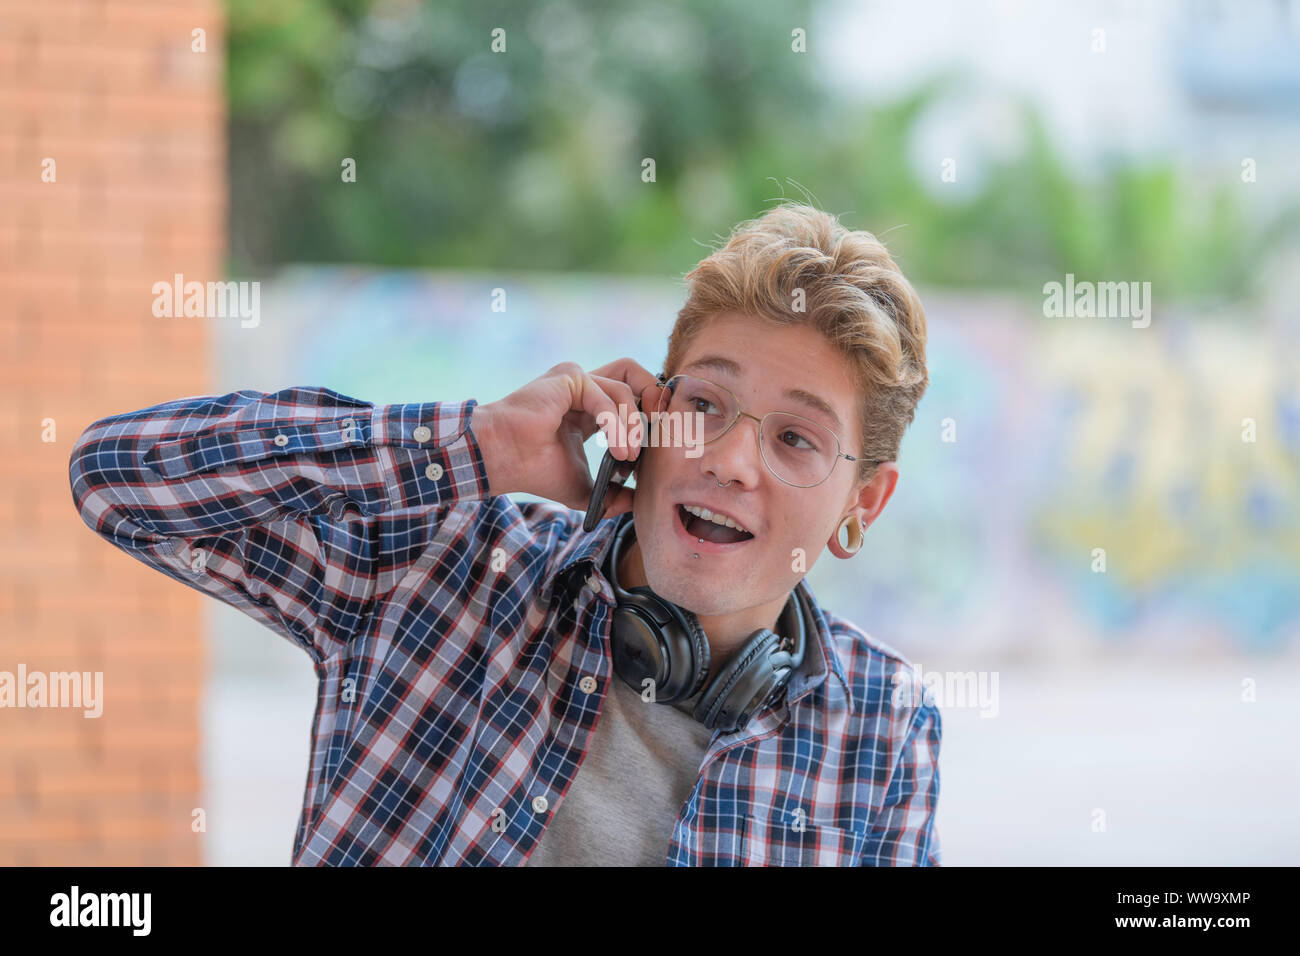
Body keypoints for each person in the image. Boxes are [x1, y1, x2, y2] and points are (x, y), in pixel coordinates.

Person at [68, 201, 940, 866]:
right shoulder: (446, 559)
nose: (730, 460)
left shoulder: (885, 725)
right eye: (704, 404)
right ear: (645, 415)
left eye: (796, 439)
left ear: (864, 503)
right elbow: (116, 480)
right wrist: (477, 445)